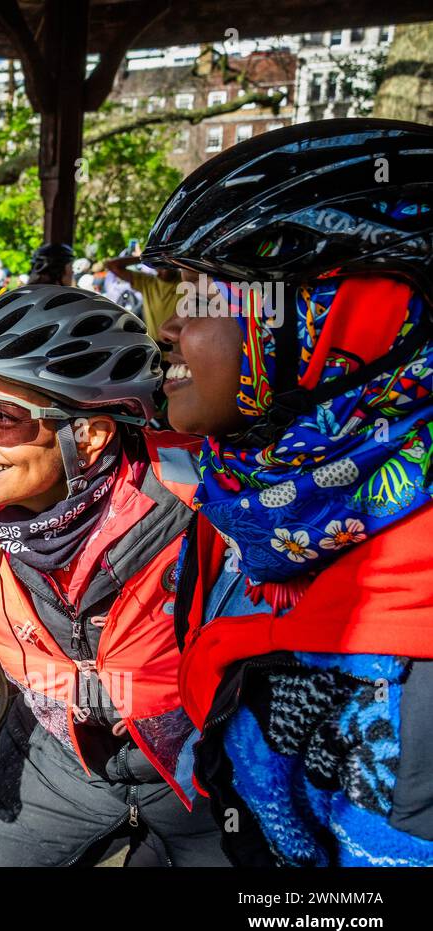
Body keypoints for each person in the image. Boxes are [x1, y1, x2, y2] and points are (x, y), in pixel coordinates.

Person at [0, 284, 230, 866]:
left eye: (4, 416)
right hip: (52, 760)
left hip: (199, 769)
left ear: (92, 435)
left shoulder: (207, 499)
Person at [147, 118, 433, 867]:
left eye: (206, 295)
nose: (170, 326)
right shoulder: (266, 493)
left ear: (337, 318)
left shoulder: (414, 677)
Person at [104, 252, 187, 343]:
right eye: (160, 263)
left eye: (166, 263)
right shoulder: (147, 282)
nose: (164, 267)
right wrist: (148, 257)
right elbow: (112, 265)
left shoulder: (186, 281)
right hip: (156, 348)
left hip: (180, 348)